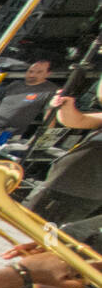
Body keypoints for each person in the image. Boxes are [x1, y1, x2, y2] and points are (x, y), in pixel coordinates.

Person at [23, 93, 102, 224]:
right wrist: (65, 105)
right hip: (61, 179)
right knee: (24, 221)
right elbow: (76, 120)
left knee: (43, 233)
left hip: (86, 192)